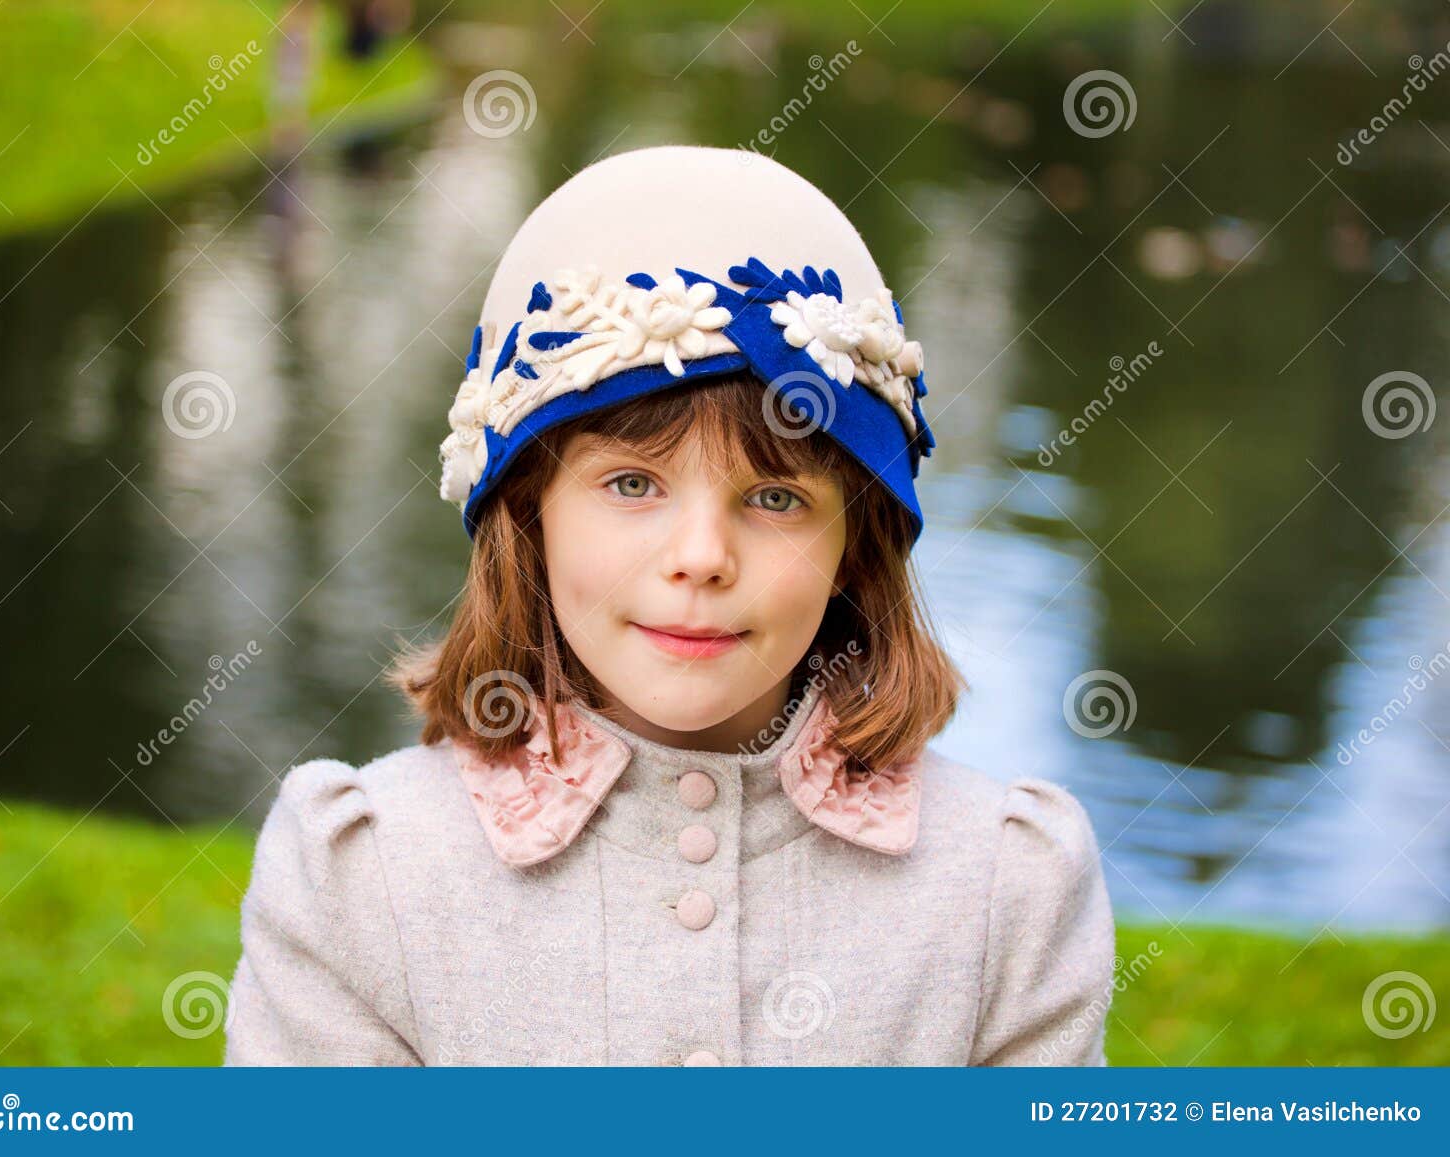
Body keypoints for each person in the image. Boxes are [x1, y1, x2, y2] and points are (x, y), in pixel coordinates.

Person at [222, 145, 1115, 1067]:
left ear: (857, 545)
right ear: (529, 515)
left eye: (776, 498)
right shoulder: (364, 880)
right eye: (633, 484)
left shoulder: (1006, 888)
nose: (699, 559)